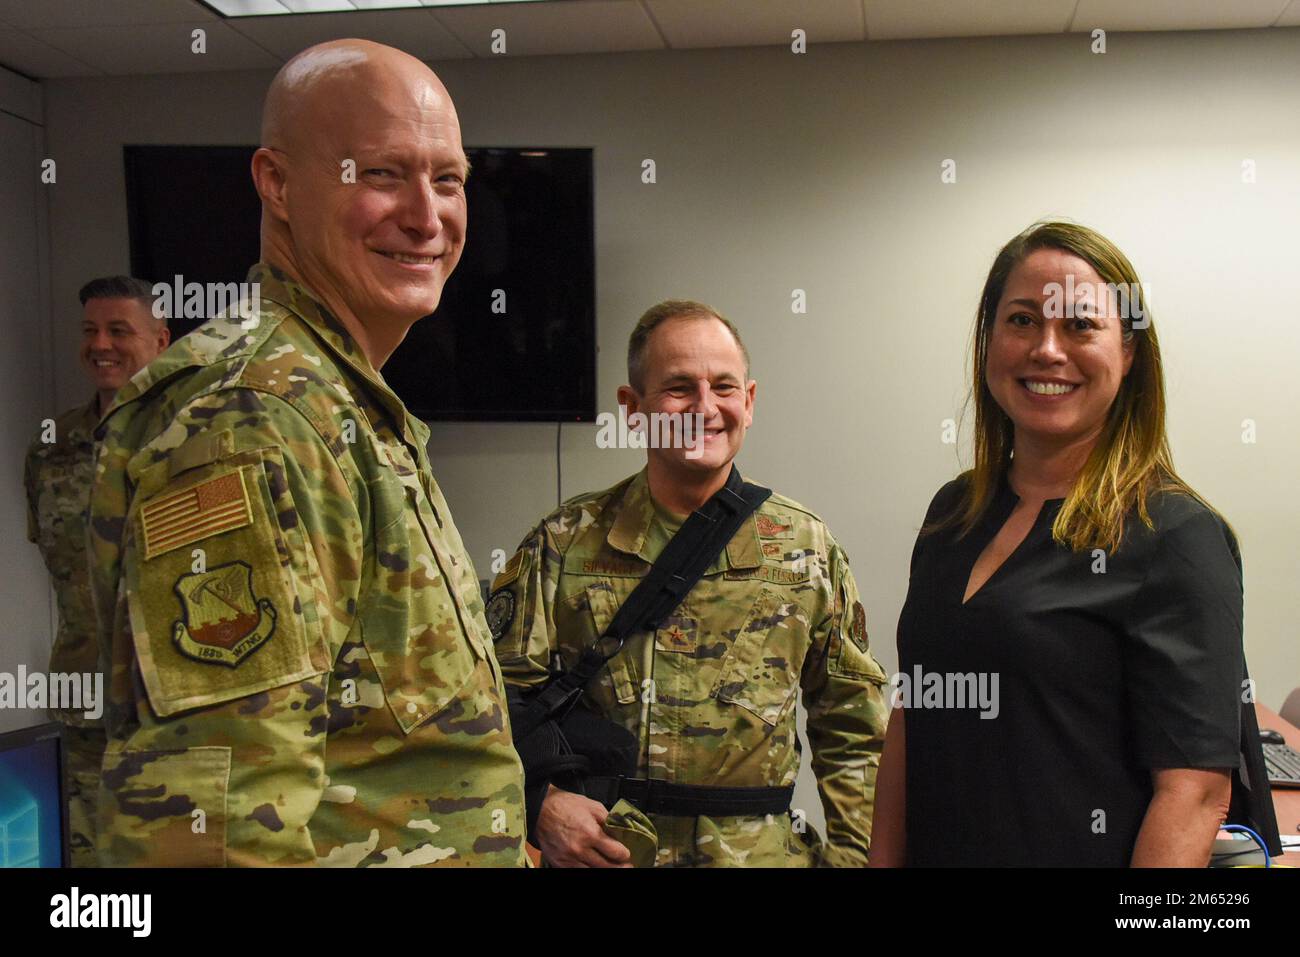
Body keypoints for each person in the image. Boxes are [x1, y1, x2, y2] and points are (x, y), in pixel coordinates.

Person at [87, 40, 527, 867]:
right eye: (385, 174)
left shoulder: (335, 397)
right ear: (277, 183)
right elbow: (212, 830)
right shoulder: (253, 417)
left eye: (448, 179)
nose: (429, 217)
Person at [870, 221, 1242, 867]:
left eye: (1079, 325)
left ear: (1128, 353)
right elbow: (913, 713)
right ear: (989, 341)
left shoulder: (1174, 535)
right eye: (1021, 320)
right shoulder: (953, 513)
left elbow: (1195, 791)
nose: (1046, 349)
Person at [488, 299, 889, 867]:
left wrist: (855, 861)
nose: (705, 408)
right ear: (633, 407)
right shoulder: (565, 543)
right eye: (679, 387)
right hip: (610, 854)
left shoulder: (806, 549)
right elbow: (494, 702)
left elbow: (853, 726)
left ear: (749, 403)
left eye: (724, 387)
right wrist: (542, 804)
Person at [23, 275, 169, 867]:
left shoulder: (194, 437)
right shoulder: (51, 448)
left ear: (160, 339)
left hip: (169, 705)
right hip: (83, 701)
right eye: (90, 331)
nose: (101, 344)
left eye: (118, 330)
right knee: (83, 867)